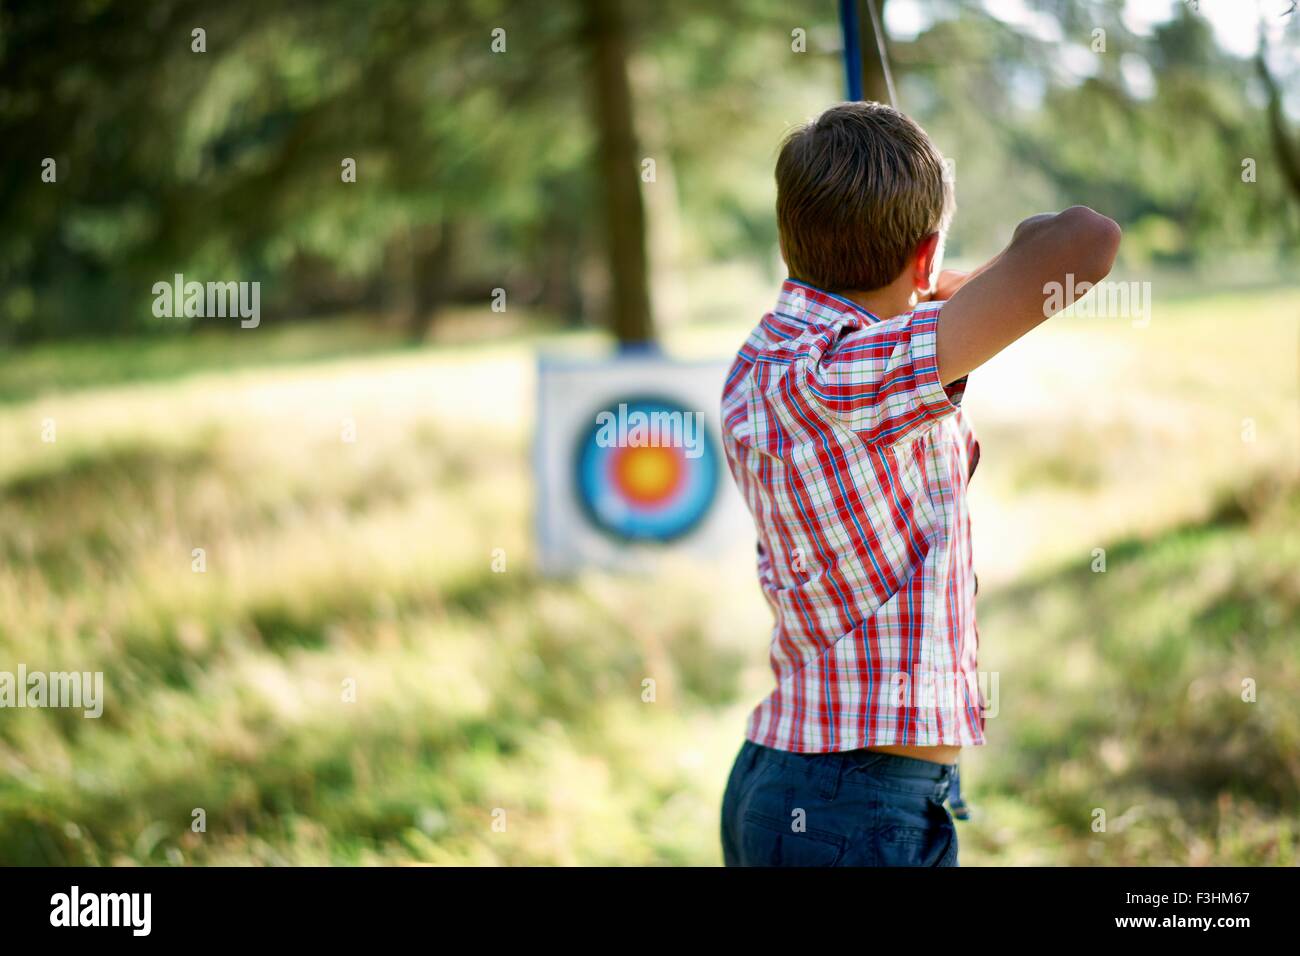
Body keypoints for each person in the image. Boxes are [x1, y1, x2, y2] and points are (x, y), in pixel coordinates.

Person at [719, 101, 1120, 866]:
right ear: (927, 254)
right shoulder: (853, 377)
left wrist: (937, 285)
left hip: (780, 782)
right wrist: (957, 278)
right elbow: (1083, 240)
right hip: (856, 806)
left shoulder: (767, 357)